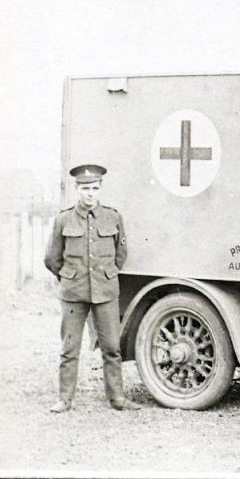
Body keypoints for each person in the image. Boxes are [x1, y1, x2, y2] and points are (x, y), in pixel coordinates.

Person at [44, 164, 141, 412]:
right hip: (74, 292)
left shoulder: (113, 217)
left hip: (105, 292)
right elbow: (52, 258)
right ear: (77, 189)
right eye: (85, 188)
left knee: (111, 347)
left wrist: (106, 275)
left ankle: (117, 398)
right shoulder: (63, 219)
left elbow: (121, 254)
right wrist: (68, 277)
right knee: (69, 348)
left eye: (95, 188)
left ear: (100, 189)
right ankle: (65, 399)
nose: (90, 193)